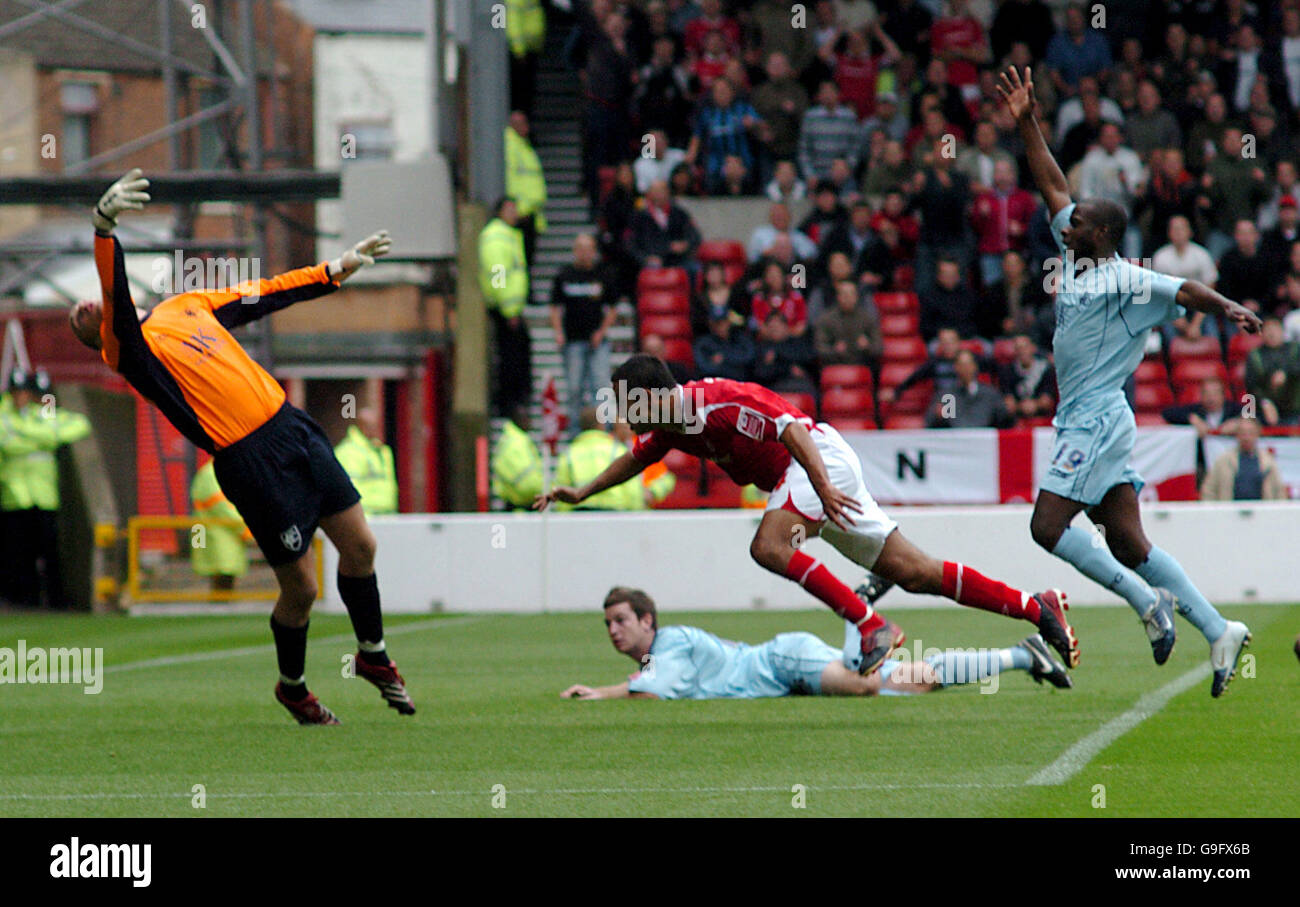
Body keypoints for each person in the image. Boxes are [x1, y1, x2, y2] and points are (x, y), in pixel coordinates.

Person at [68, 169, 413, 723]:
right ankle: (293, 688)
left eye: (81, 307)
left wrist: (333, 271)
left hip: (292, 427)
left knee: (362, 547)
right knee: (299, 587)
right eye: (76, 322)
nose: (81, 311)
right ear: (97, 342)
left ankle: (373, 655)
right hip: (250, 462)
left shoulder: (186, 306)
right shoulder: (125, 351)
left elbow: (261, 295)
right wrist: (104, 228)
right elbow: (114, 288)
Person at [535, 355, 1079, 677]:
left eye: (630, 405)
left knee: (768, 547)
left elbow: (793, 428)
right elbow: (638, 458)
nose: (625, 416)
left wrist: (820, 487)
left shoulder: (719, 401)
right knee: (917, 573)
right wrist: (581, 492)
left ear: (653, 397)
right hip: (810, 481)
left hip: (817, 462)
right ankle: (1038, 609)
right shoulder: (669, 424)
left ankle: (871, 625)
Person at [1001, 65, 1258, 697]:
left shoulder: (1124, 277)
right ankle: (1219, 628)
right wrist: (1028, 120)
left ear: (1105, 236)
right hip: (1090, 416)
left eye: (1081, 221)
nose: (1069, 223)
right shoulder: (1075, 252)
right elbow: (1053, 183)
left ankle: (1149, 606)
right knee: (1127, 542)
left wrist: (1226, 307)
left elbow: (1185, 289)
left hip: (1096, 419)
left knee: (1046, 527)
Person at [560, 586, 1071, 700]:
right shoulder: (661, 651)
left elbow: (649, 692)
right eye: (608, 623)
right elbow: (647, 682)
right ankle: (1021, 656)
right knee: (910, 683)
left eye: (622, 619)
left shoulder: (669, 644)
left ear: (648, 620)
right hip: (788, 664)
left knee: (864, 686)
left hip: (785, 662)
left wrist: (595, 694)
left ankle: (863, 617)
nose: (613, 630)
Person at [0, 368, 90, 608]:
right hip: (15, 493)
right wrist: (43, 439)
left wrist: (28, 436)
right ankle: (23, 599)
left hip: (44, 494)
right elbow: (7, 442)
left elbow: (77, 425)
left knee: (50, 550)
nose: (26, 397)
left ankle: (53, 599)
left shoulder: (40, 415)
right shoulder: (7, 415)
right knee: (19, 552)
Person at [550, 234, 617, 439]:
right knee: (574, 388)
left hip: (597, 342)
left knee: (601, 386)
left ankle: (602, 430)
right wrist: (558, 332)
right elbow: (554, 307)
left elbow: (613, 308)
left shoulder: (602, 274)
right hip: (572, 341)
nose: (584, 252)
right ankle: (575, 433)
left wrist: (601, 332)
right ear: (574, 250)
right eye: (580, 248)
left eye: (588, 248)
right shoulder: (564, 275)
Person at [479, 196, 532, 417]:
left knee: (516, 355)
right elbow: (498, 274)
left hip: (510, 308)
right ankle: (509, 404)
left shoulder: (507, 236)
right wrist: (508, 308)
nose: (515, 214)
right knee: (511, 358)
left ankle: (514, 401)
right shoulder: (497, 237)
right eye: (510, 209)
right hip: (506, 310)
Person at [553, 408, 643, 511]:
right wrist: (635, 514)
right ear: (602, 425)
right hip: (615, 513)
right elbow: (632, 490)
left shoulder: (568, 454)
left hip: (580, 514)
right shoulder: (618, 450)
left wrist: (565, 519)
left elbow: (561, 491)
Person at [190, 457, 250, 594]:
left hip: (220, 537)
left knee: (224, 579)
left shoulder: (210, 473)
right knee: (222, 578)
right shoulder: (212, 474)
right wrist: (249, 529)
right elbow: (224, 508)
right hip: (219, 538)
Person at [1200, 418, 1286, 501]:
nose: (1246, 438)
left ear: (1257, 434)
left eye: (1250, 433)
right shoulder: (1223, 461)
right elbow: (1209, 491)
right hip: (1229, 512)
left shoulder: (1268, 462)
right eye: (1243, 433)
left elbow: (1279, 492)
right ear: (1237, 435)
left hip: (1261, 513)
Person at [333, 408, 398, 515]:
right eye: (370, 426)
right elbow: (348, 489)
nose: (374, 429)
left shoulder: (383, 451)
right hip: (365, 516)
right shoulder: (348, 452)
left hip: (387, 514)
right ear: (360, 426)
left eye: (376, 425)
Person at [926, 349, 1014, 429]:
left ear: (975, 366)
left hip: (983, 441)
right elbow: (930, 423)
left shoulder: (989, 393)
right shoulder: (947, 395)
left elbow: (1004, 422)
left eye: (968, 364)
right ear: (956, 367)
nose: (966, 369)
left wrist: (1009, 413)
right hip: (956, 442)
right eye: (962, 365)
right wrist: (938, 418)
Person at [503, 111, 547, 266]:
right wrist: (498, 289)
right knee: (518, 261)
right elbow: (497, 269)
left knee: (525, 263)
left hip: (528, 213)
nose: (526, 128)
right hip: (522, 213)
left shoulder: (524, 146)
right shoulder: (511, 146)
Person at [492, 405, 543, 510]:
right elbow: (527, 482)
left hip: (518, 504)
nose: (529, 421)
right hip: (519, 507)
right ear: (518, 420)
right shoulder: (516, 443)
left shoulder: (513, 440)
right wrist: (542, 489)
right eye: (526, 418)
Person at [998, 334, 1057, 422]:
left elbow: (1047, 401)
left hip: (1041, 418)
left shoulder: (1046, 369)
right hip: (1016, 419)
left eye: (1025, 347)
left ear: (1033, 348)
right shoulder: (1007, 371)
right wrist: (1021, 406)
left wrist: (1035, 405)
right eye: (1018, 348)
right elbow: (1008, 402)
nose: (1022, 351)